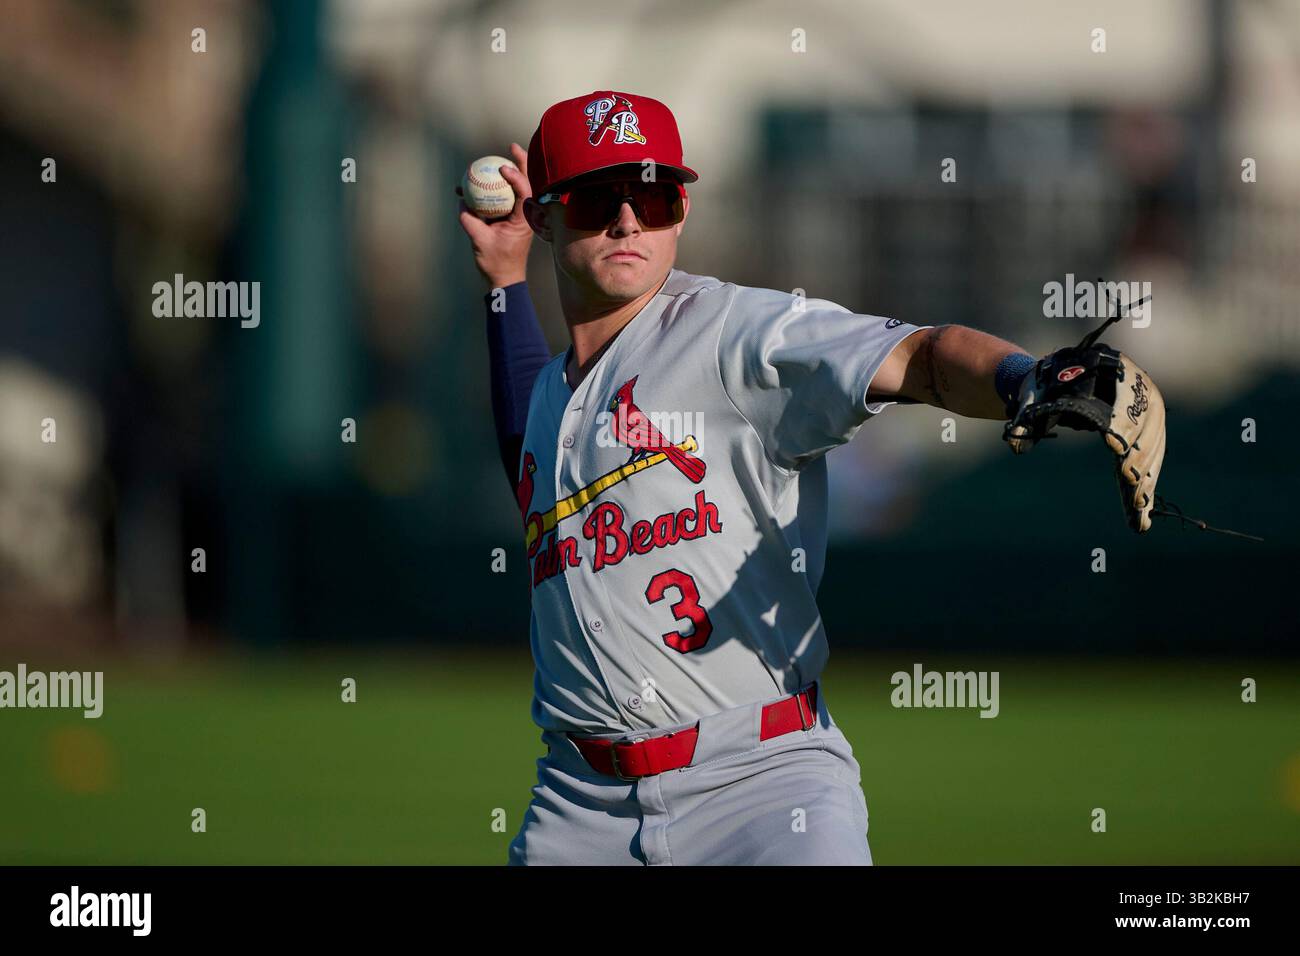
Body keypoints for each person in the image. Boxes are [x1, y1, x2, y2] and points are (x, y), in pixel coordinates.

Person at [456, 90, 1165, 865]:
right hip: (576, 806)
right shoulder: (559, 388)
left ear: (682, 209)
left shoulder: (737, 334)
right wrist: (503, 281)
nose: (629, 219)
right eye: (599, 198)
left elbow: (919, 357)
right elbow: (536, 455)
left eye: (654, 194)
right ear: (547, 215)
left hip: (760, 791)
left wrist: (1023, 376)